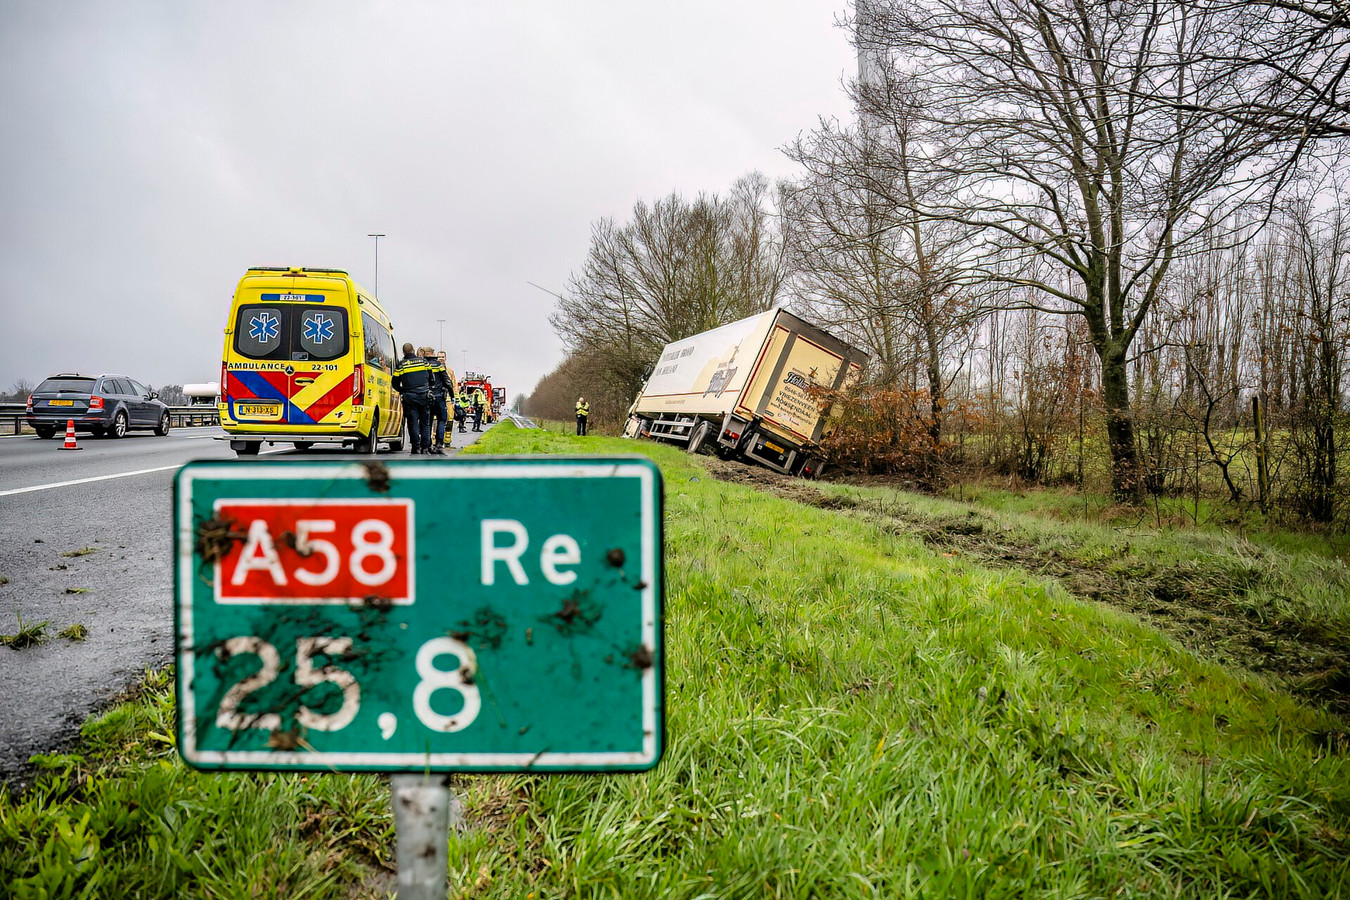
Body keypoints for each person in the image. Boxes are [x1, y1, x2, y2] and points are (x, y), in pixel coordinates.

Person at [391, 342, 433, 454]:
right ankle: (425, 448)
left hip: (409, 397)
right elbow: (432, 378)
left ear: (403, 352)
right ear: (413, 350)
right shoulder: (424, 362)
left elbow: (394, 382)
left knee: (412, 423)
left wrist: (402, 390)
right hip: (424, 396)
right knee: (425, 423)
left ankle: (416, 448)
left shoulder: (401, 364)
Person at [421, 346, 452, 455]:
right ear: (430, 353)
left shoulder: (422, 365)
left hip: (426, 397)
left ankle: (427, 445)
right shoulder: (438, 365)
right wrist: (452, 396)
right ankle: (439, 444)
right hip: (439, 397)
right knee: (442, 420)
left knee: (427, 422)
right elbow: (447, 382)